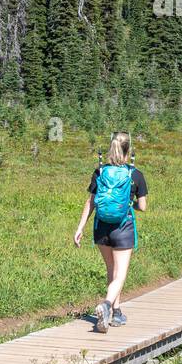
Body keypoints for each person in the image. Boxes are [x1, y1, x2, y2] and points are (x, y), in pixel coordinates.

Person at [74, 131, 148, 332]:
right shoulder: (135, 174)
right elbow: (142, 207)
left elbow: (90, 202)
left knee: (111, 270)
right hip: (123, 227)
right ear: (128, 150)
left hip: (101, 227)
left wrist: (80, 227)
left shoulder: (100, 172)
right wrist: (129, 202)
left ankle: (116, 313)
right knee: (121, 273)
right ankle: (107, 305)